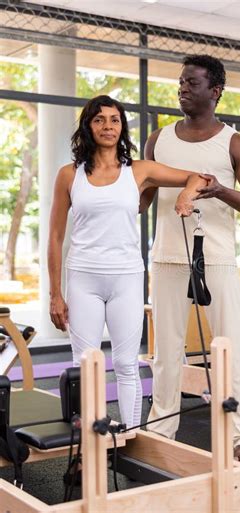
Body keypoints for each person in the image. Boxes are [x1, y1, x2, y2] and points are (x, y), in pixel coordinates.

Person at [48, 95, 207, 429]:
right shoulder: (68, 175)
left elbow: (199, 177)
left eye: (115, 120)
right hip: (83, 277)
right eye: (100, 120)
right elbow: (55, 237)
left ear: (122, 126)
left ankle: (132, 439)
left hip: (126, 278)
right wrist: (55, 293)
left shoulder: (139, 170)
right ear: (87, 127)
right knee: (86, 364)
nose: (108, 126)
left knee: (125, 363)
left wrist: (184, 196)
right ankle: (89, 446)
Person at [140, 55, 240, 462]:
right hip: (166, 258)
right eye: (180, 82)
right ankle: (162, 428)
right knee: (166, 351)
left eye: (192, 83)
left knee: (230, 346)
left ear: (215, 91)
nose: (182, 88)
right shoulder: (157, 139)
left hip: (215, 258)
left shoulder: (234, 142)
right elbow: (142, 199)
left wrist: (220, 191)